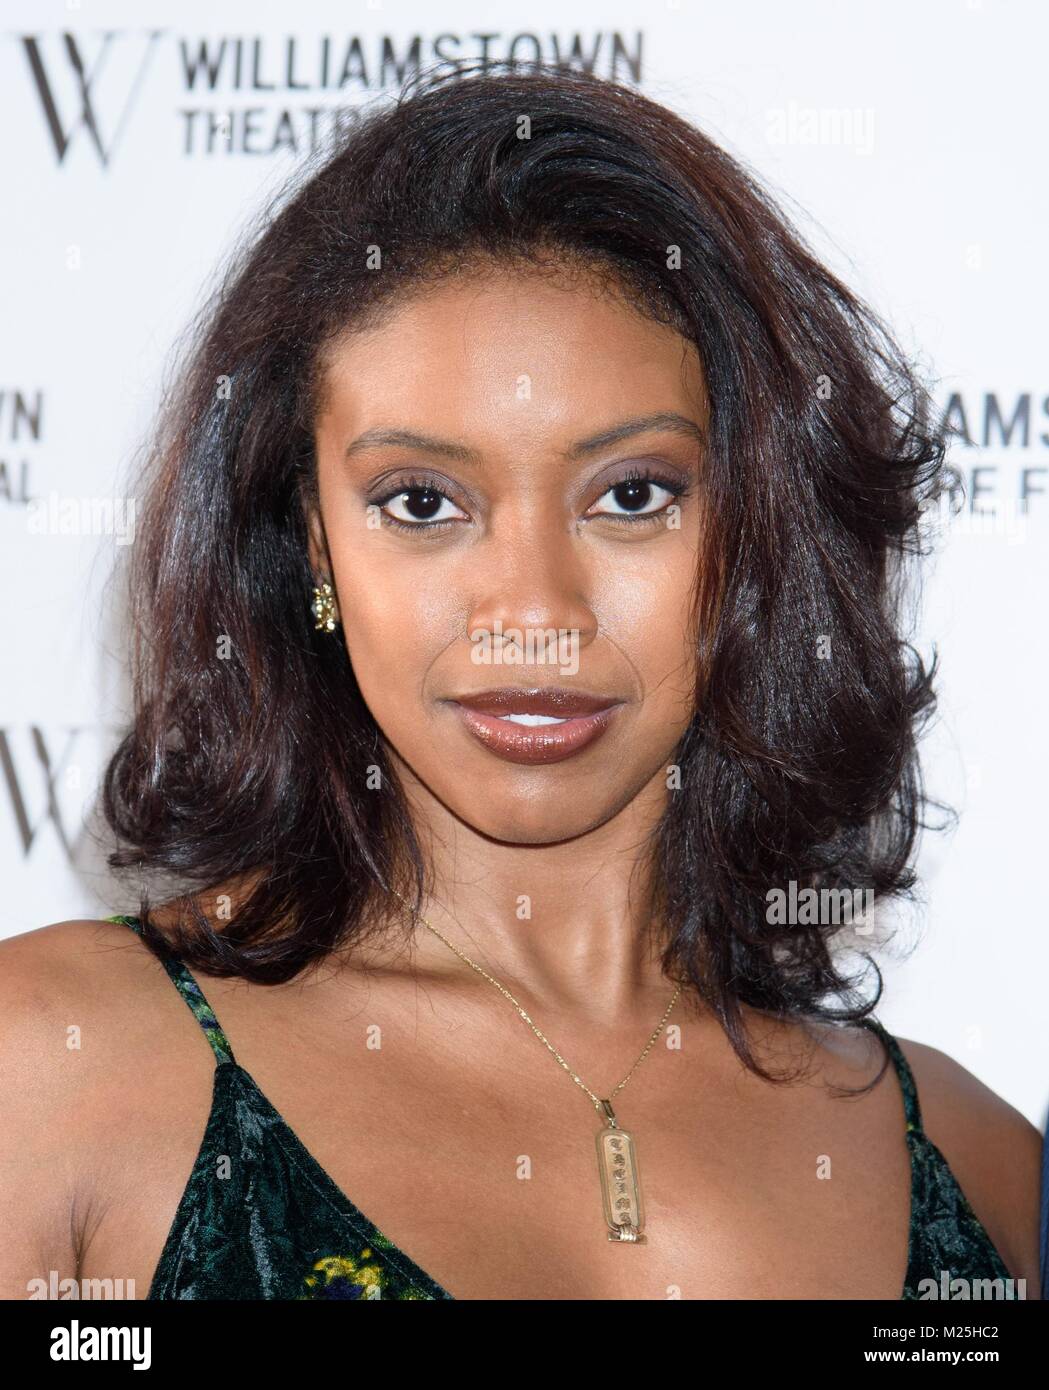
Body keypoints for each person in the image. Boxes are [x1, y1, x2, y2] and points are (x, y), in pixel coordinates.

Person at [0, 62, 1041, 1302]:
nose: (534, 615)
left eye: (632, 495)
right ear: (312, 539)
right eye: (423, 503)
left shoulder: (981, 1178)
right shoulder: (57, 1071)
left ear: (754, 530)